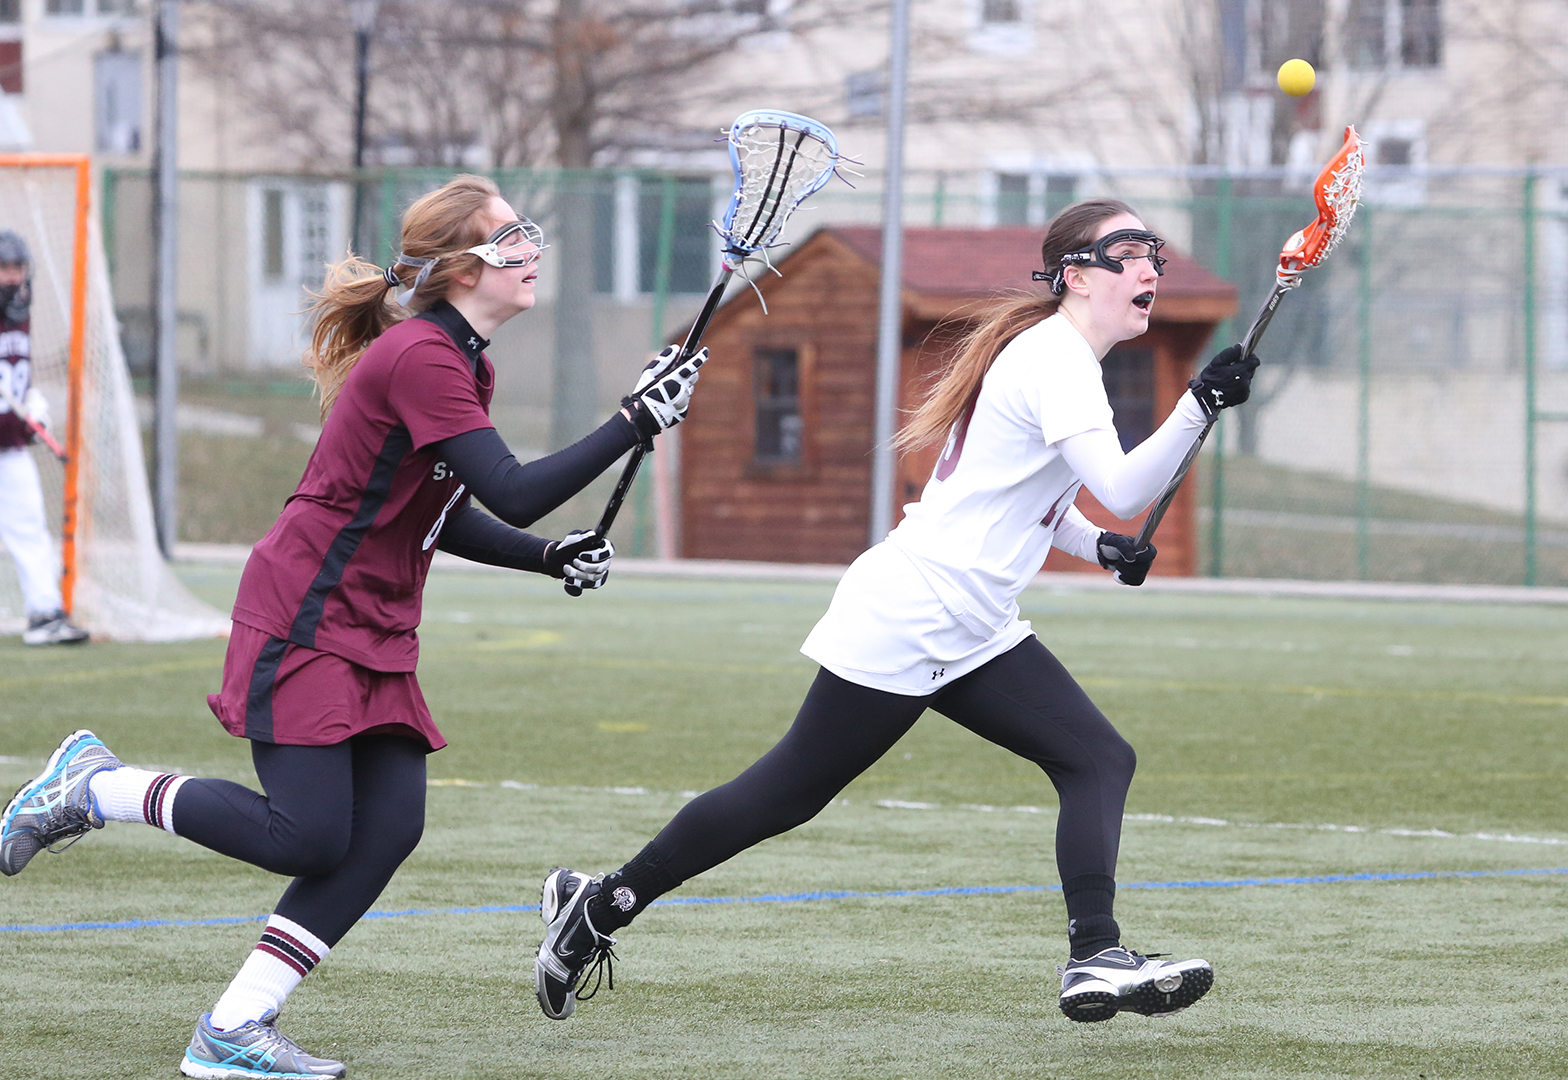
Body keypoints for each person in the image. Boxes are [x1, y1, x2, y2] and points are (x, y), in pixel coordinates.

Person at [0, 174, 707, 1079]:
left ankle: (233, 1028)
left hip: (370, 623)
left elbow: (440, 508)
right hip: (306, 613)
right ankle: (93, 787)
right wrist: (630, 420)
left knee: (385, 829)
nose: (531, 249)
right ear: (462, 268)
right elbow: (515, 487)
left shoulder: (462, 360)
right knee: (307, 835)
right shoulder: (421, 356)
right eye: (511, 235)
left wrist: (545, 556)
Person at [532, 197, 1262, 1024]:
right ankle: (601, 904)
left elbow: (1032, 496)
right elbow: (1128, 487)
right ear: (1073, 274)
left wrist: (1098, 548)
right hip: (915, 610)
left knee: (1097, 758)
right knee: (785, 795)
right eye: (1126, 251)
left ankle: (1094, 957)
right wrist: (1198, 404)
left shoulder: (1058, 357)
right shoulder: (1055, 358)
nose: (1148, 269)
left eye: (1154, 254)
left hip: (975, 623)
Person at [0, 229, 89, 646]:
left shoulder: (20, 314)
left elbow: (21, 376)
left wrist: (33, 407)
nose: (13, 277)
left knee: (30, 528)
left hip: (9, 447)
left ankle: (43, 615)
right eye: (4, 268)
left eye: (17, 268)